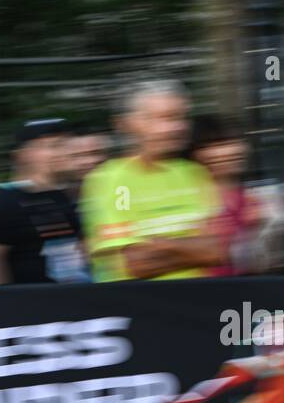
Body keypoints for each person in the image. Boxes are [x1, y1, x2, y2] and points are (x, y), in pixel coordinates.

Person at [79, 81, 224, 282]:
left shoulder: (195, 173)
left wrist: (165, 245)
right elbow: (135, 264)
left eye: (182, 117)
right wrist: (192, 249)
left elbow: (216, 252)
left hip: (194, 300)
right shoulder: (111, 180)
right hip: (137, 304)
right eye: (165, 118)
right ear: (130, 124)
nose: (178, 127)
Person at [0, 118, 88, 285]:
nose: (62, 152)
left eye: (64, 145)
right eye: (53, 146)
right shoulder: (8, 200)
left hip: (71, 295)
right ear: (24, 155)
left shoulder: (60, 195)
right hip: (33, 302)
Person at [188, 114, 260, 275]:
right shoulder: (189, 198)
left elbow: (256, 264)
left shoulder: (249, 201)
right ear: (197, 153)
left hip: (241, 294)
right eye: (218, 144)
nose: (231, 150)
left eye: (235, 142)